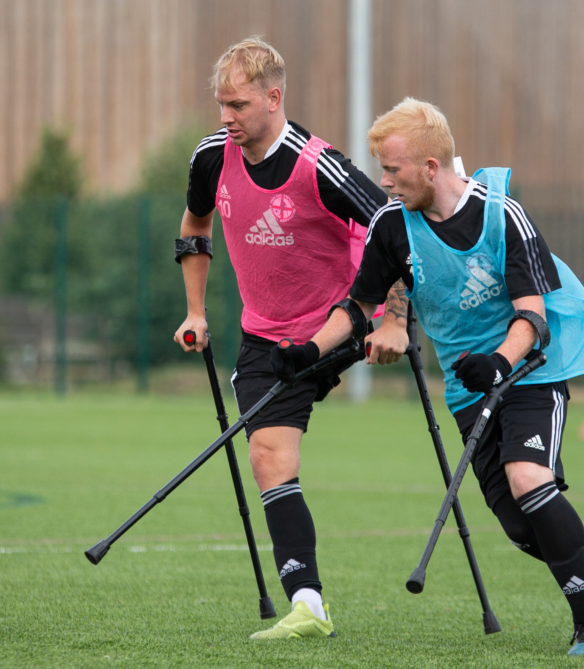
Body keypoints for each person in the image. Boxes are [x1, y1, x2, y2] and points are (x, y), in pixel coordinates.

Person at [276, 98, 584, 656]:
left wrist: (499, 363)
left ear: (431, 167)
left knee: (528, 479)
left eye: (392, 169)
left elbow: (532, 315)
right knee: (516, 525)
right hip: (467, 387)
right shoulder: (392, 224)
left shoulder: (503, 215)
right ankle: (582, 562)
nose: (383, 181)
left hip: (529, 369)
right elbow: (360, 304)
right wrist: (307, 350)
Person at [173, 37, 409, 640]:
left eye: (238, 105)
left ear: (273, 98)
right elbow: (196, 225)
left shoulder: (319, 164)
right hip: (266, 335)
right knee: (266, 455)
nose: (226, 117)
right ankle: (309, 604)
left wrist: (395, 319)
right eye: (221, 104)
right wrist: (196, 310)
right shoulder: (210, 157)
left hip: (339, 321)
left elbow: (395, 231)